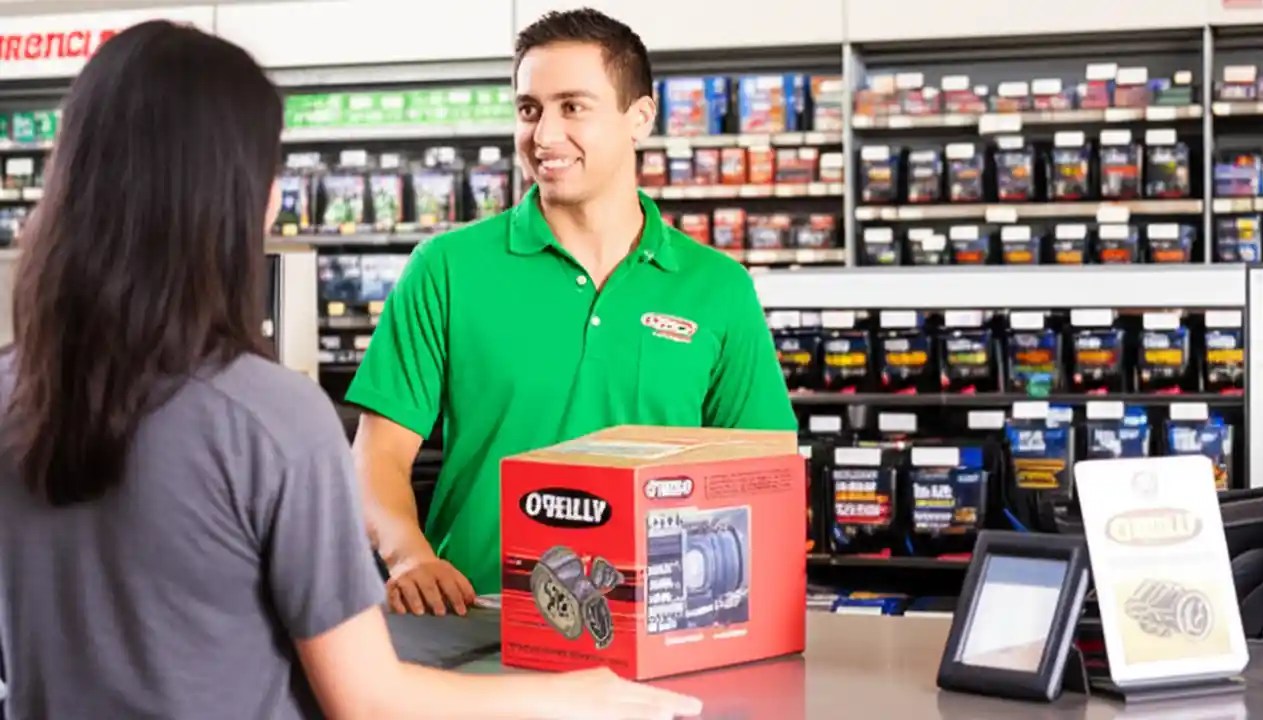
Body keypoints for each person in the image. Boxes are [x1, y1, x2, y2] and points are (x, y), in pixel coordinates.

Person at [0, 20, 701, 720]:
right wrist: (579, 698)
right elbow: (368, 699)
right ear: (243, 192)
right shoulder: (271, 420)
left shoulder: (14, 393)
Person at [347, 6, 796, 618]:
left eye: (572, 107)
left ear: (639, 117)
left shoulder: (718, 289)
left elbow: (763, 475)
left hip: (660, 626)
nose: (544, 135)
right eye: (529, 108)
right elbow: (378, 454)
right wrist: (407, 556)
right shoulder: (447, 268)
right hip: (479, 623)